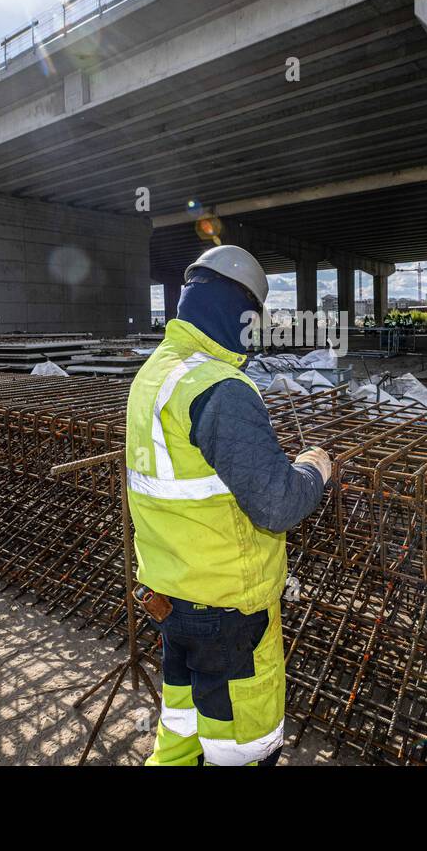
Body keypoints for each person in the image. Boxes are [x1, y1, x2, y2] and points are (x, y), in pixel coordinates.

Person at [125, 245, 332, 766]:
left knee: (181, 734)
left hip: (170, 598)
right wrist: (317, 467)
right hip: (230, 610)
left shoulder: (155, 374)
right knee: (241, 746)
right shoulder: (219, 387)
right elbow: (277, 504)